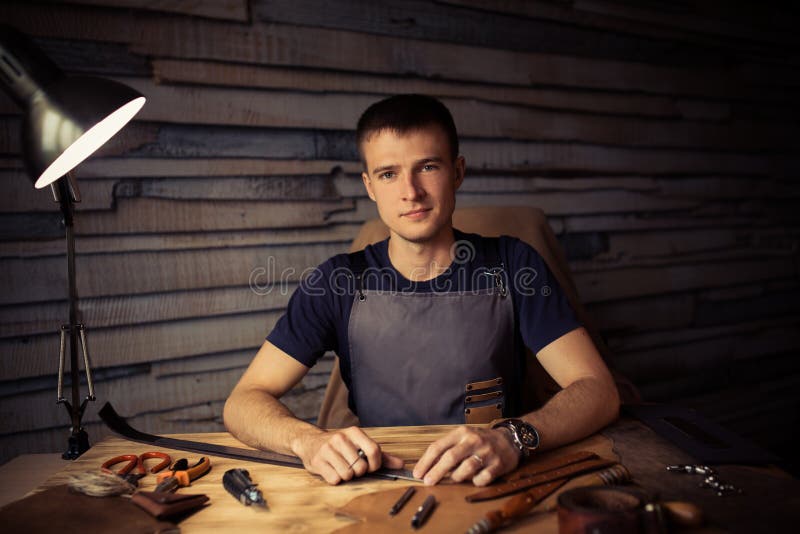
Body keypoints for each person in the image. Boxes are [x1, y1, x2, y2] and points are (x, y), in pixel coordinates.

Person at [224, 94, 620, 487]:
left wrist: (514, 437)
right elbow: (243, 402)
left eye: (427, 167)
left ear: (457, 172)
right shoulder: (336, 281)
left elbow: (598, 390)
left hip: (493, 477)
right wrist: (306, 441)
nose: (410, 191)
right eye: (388, 174)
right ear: (370, 186)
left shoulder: (514, 264)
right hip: (378, 483)